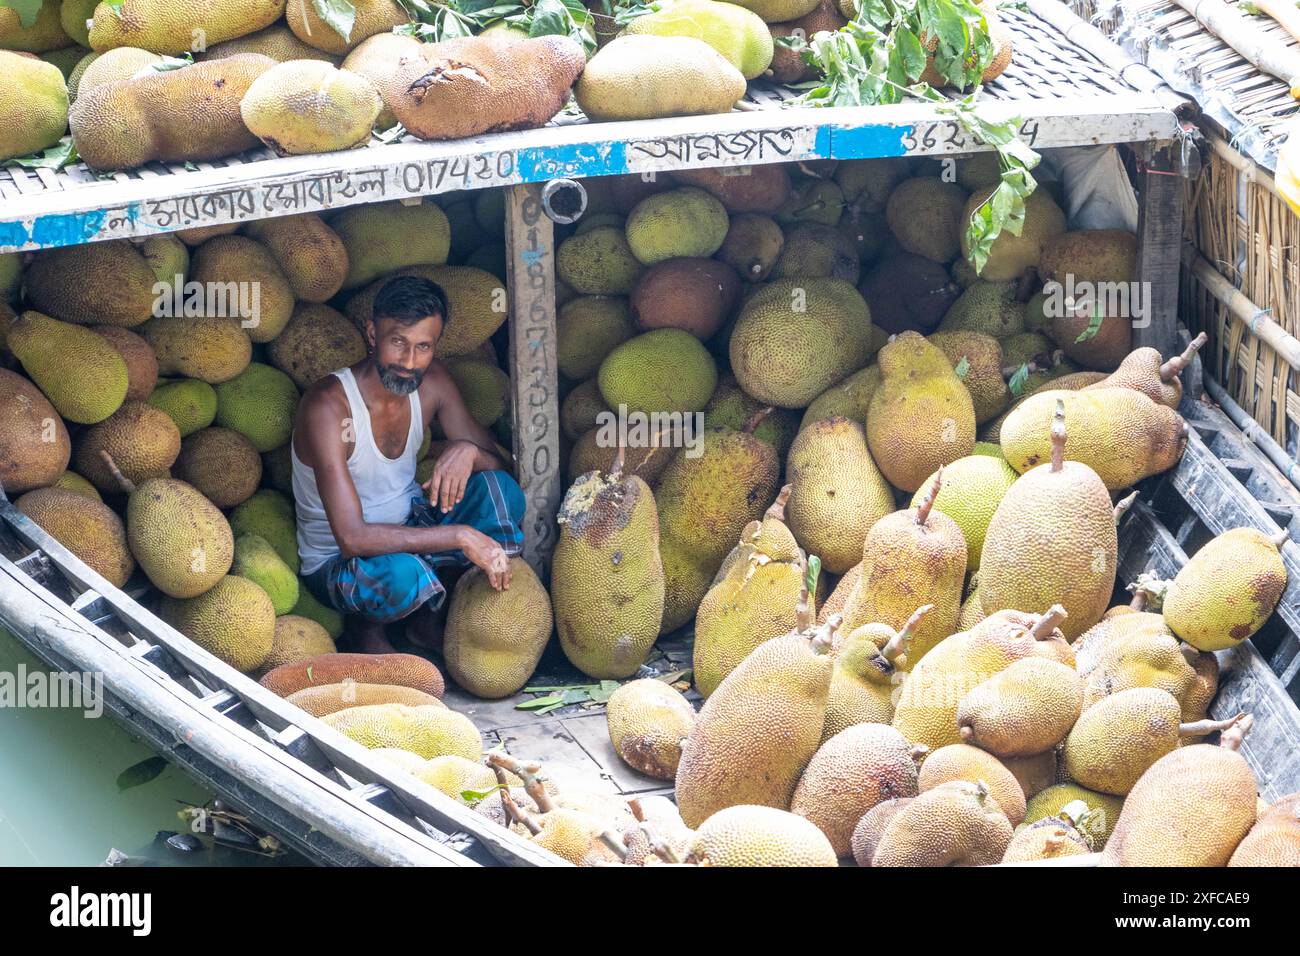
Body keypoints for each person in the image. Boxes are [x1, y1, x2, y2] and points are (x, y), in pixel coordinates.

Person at [290, 274, 524, 654]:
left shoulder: (432, 384)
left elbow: (503, 469)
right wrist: (460, 536)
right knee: (401, 574)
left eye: (423, 347)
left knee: (501, 492)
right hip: (341, 561)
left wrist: (469, 451)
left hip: (410, 523)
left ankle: (423, 619)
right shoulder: (329, 406)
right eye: (398, 343)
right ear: (372, 334)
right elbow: (352, 538)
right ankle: (365, 628)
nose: (409, 362)